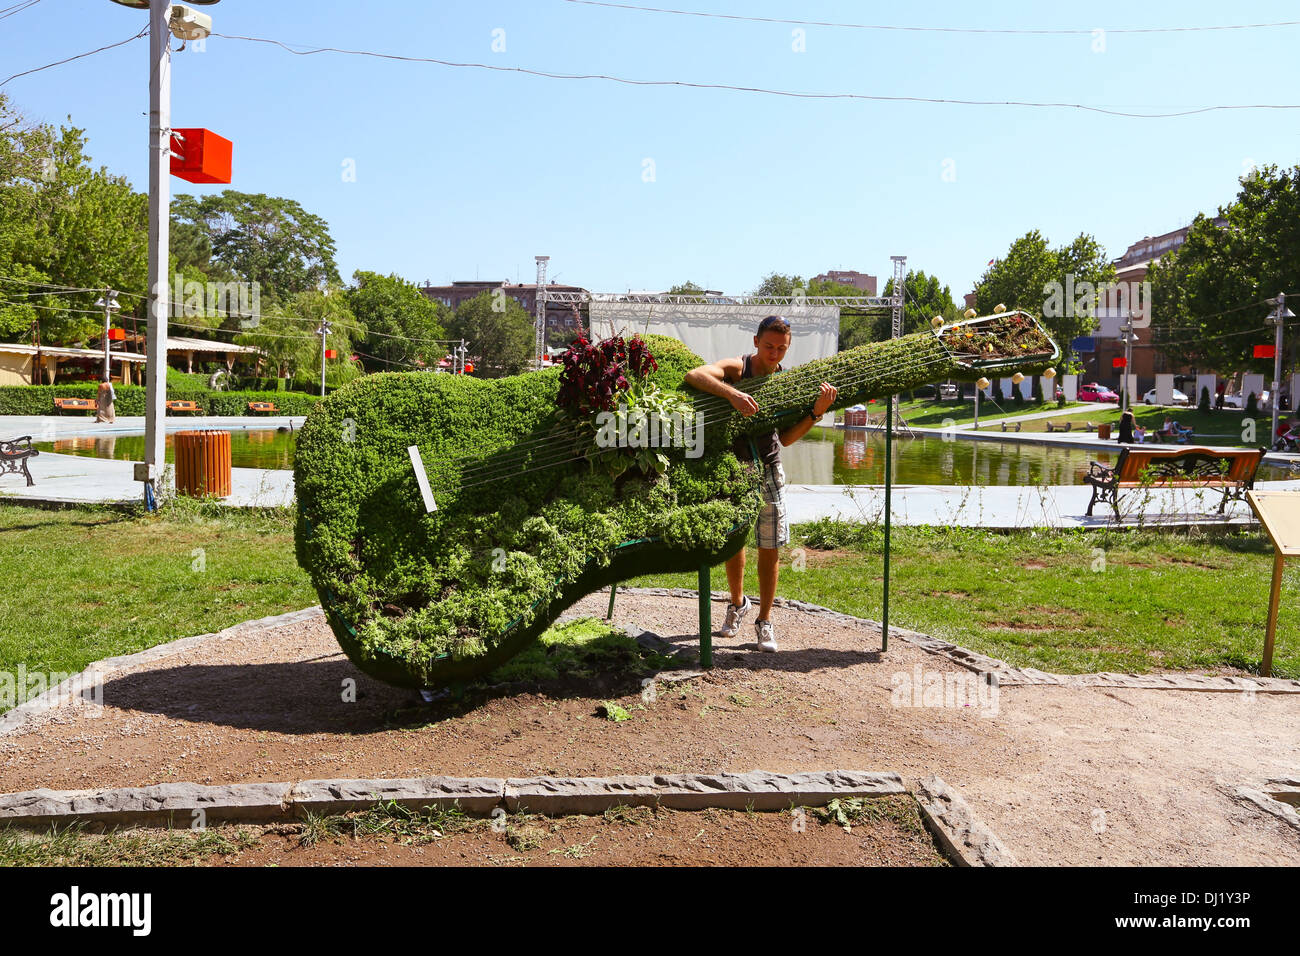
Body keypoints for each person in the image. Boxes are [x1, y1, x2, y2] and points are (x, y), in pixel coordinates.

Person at [683, 315, 837, 653]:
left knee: (770, 547)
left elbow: (786, 438)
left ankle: (764, 621)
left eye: (782, 348)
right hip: (733, 470)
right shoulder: (739, 368)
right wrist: (732, 395)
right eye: (769, 346)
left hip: (769, 468)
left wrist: (816, 413)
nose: (775, 353)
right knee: (733, 541)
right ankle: (737, 604)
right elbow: (694, 375)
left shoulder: (788, 381)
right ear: (756, 342)